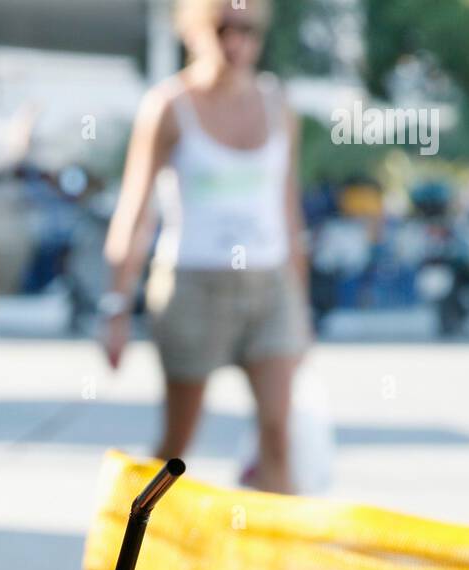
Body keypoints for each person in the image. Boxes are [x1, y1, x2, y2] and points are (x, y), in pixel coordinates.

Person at [102, 0, 310, 493]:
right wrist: (115, 305)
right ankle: (137, 548)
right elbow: (136, 208)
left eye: (247, 29)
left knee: (278, 435)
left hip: (270, 287)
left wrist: (301, 308)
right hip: (193, 286)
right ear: (193, 31)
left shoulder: (279, 107)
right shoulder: (168, 106)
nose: (235, 41)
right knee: (178, 446)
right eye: (222, 28)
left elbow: (288, 211)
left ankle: (273, 566)